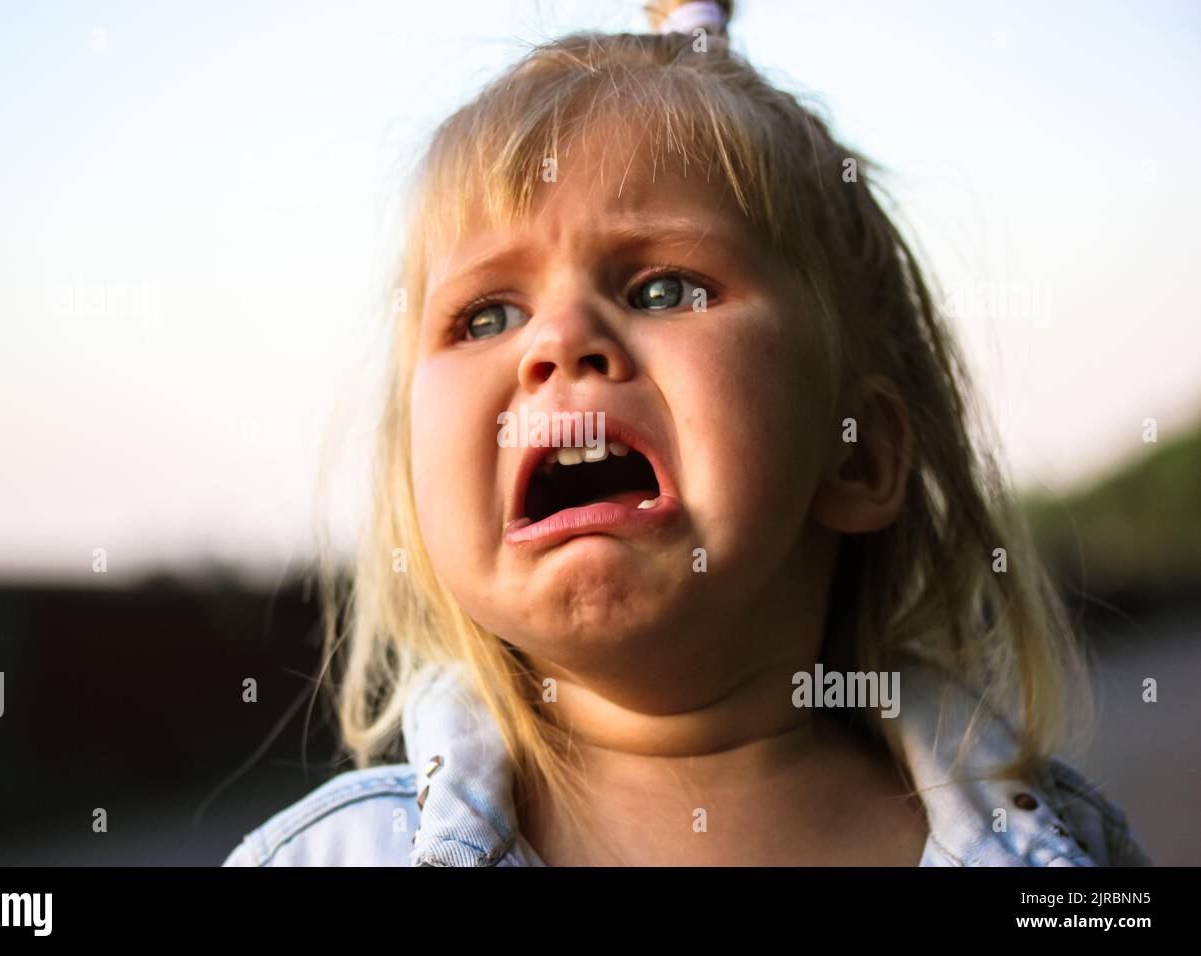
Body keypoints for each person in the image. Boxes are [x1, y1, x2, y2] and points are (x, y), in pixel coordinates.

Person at [224, 0, 1150, 867]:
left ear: (858, 452)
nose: (557, 343)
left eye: (662, 289)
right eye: (484, 316)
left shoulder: (1066, 850)